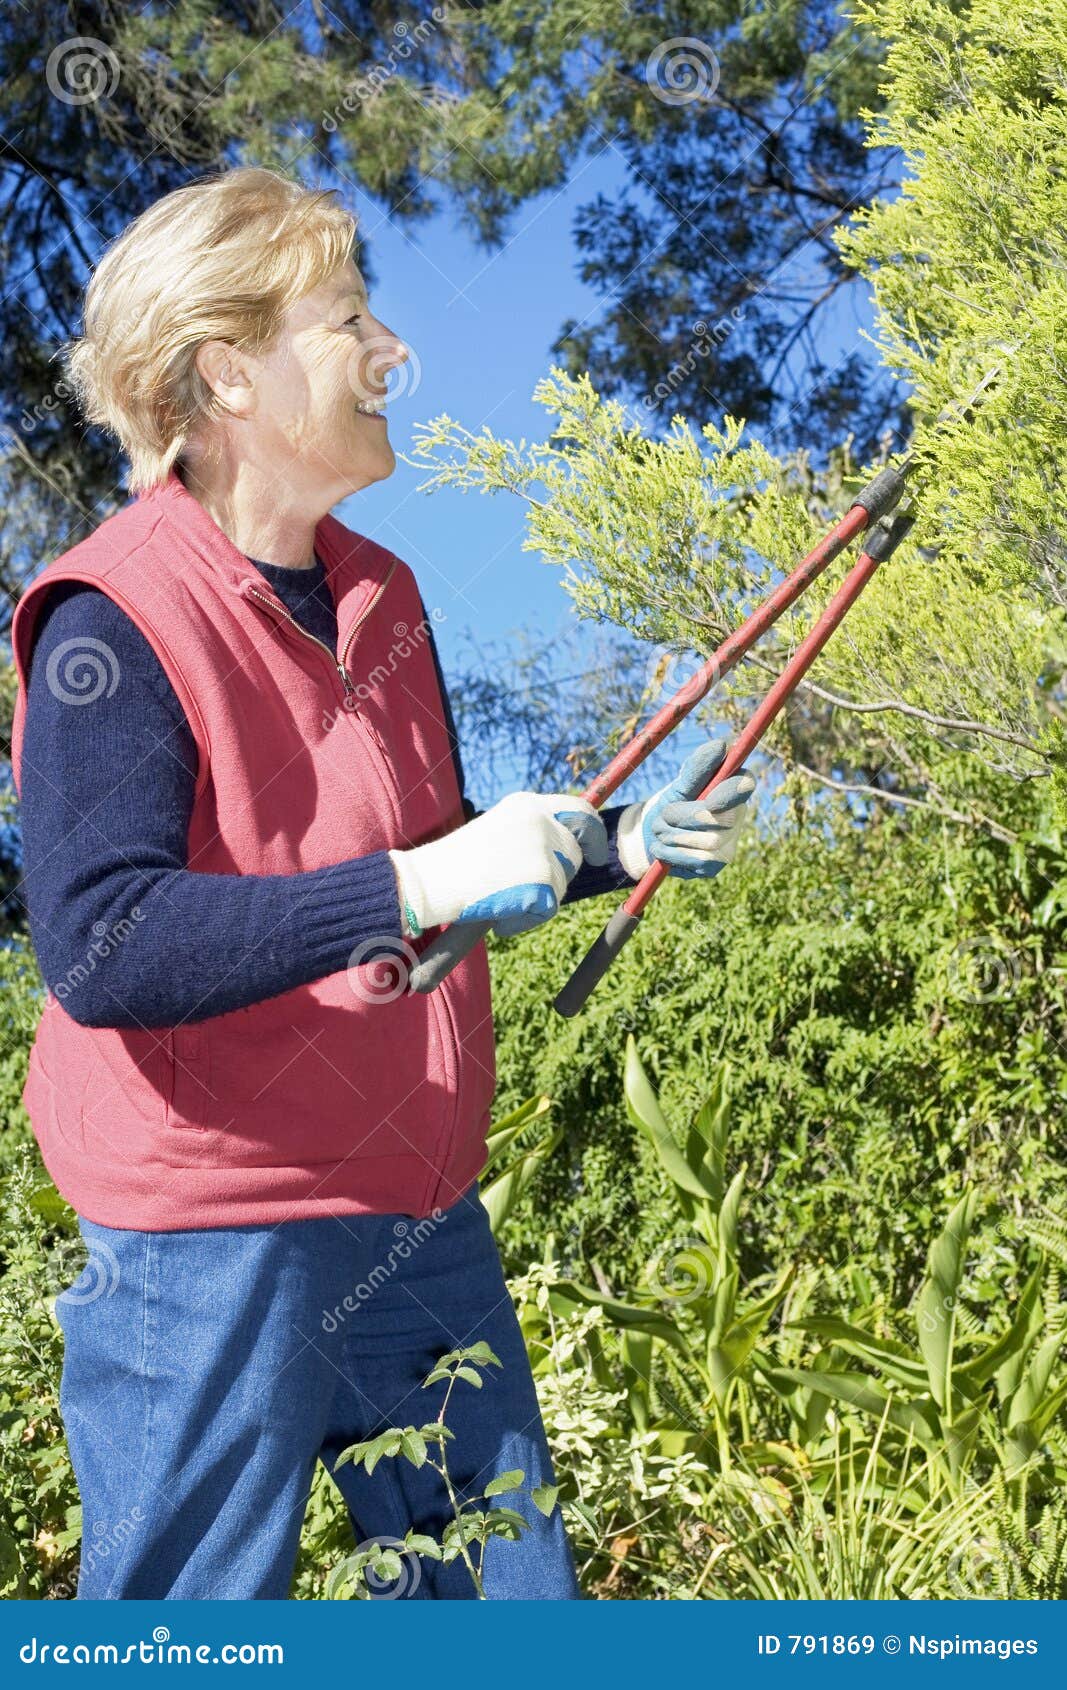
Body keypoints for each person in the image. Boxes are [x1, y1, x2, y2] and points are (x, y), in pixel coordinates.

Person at [9, 167, 755, 1600]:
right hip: (210, 1229)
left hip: (413, 1204)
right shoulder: (114, 615)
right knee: (184, 1633)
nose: (392, 352)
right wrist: (420, 876)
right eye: (348, 320)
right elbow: (106, 944)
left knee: (509, 1623)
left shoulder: (383, 592)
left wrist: (614, 844)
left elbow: (420, 847)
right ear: (228, 373)